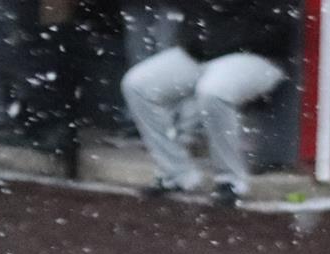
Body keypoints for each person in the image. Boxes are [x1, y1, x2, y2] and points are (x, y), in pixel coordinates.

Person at [120, 0, 296, 205]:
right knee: (137, 85)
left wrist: (217, 43)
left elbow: (273, 31)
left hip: (257, 57)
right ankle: (175, 173)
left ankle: (231, 181)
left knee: (213, 91)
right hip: (201, 54)